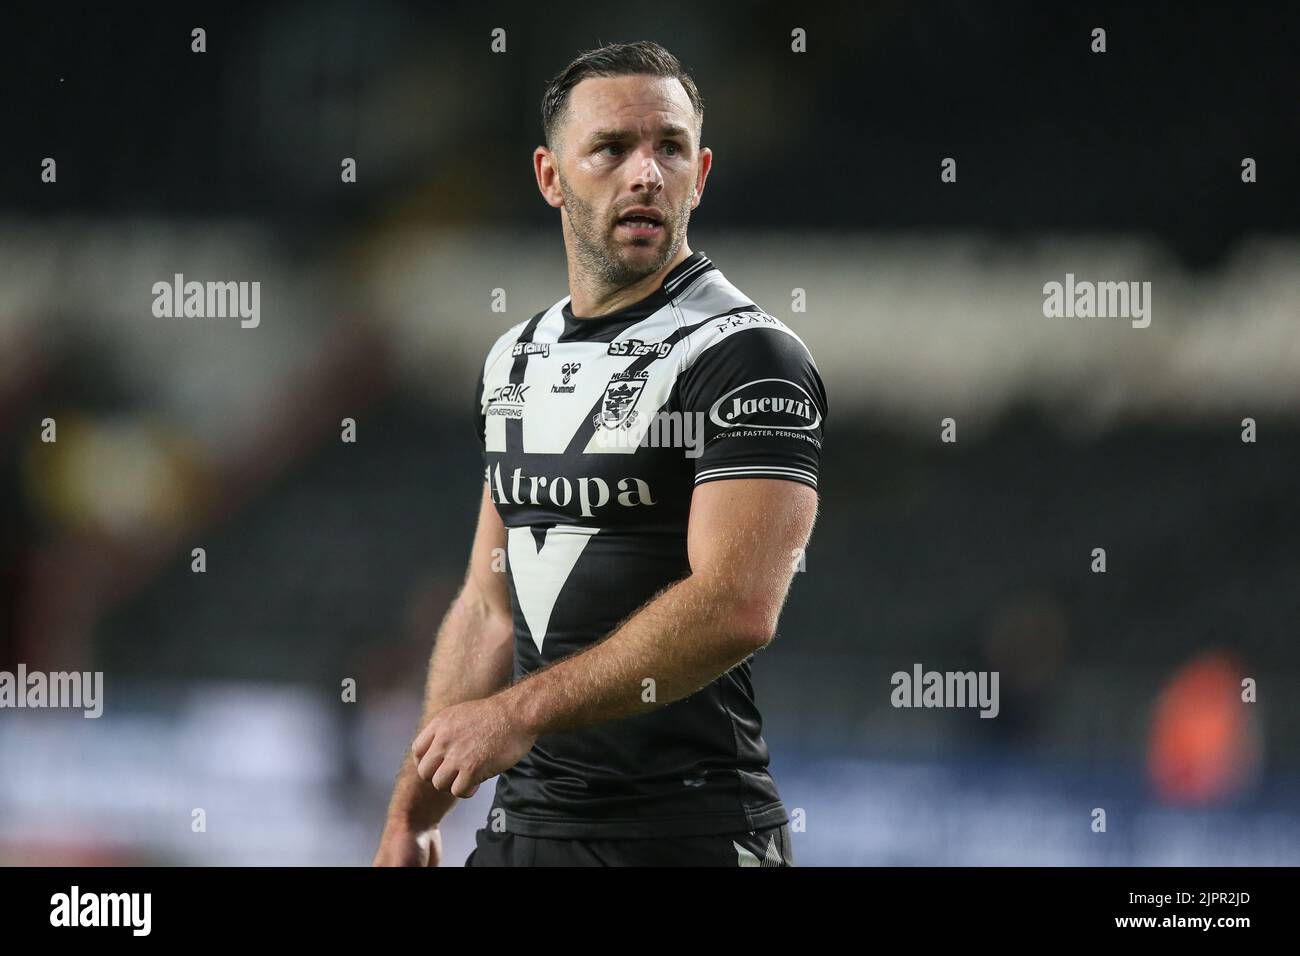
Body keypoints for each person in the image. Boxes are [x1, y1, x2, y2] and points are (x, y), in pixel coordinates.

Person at [374, 40, 826, 867]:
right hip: (525, 832)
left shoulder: (747, 357)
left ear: (702, 172)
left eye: (670, 148)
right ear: (551, 176)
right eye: (613, 148)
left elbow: (737, 606)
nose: (646, 173)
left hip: (687, 836)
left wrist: (517, 715)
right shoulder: (513, 358)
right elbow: (488, 605)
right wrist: (415, 813)